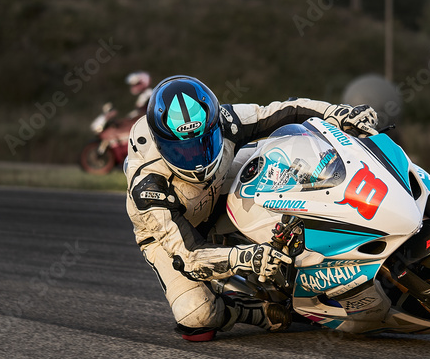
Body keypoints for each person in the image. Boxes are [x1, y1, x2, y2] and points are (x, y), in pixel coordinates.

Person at [124, 75, 378, 341]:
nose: (196, 159)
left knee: (285, 156)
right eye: (183, 151)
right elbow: (189, 256)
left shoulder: (224, 120)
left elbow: (283, 111)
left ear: (214, 125)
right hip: (171, 234)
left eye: (204, 143)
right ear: (161, 144)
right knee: (196, 316)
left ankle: (335, 227)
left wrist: (336, 113)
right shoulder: (149, 187)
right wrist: (245, 257)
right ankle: (253, 311)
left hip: (221, 185)